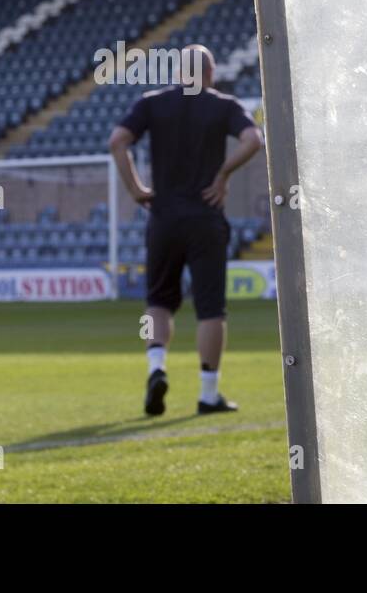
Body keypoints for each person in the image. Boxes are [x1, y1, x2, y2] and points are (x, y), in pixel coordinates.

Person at [108, 44, 264, 416]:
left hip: (162, 216)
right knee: (211, 309)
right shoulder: (223, 105)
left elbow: (117, 141)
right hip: (205, 217)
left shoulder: (152, 103)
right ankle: (208, 394)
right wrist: (223, 174)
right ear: (210, 73)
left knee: (158, 303)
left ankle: (156, 368)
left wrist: (135, 189)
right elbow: (253, 140)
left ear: (179, 73)